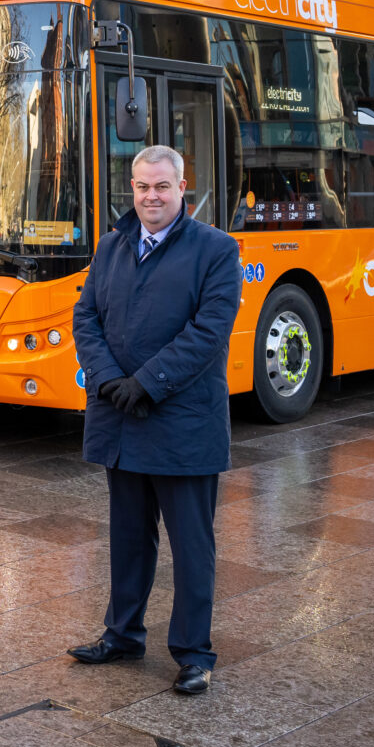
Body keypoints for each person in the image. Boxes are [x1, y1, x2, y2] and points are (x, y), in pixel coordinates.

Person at [68, 143, 241, 697]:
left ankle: (194, 653)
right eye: (142, 187)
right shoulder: (111, 245)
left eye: (162, 186)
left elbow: (208, 333)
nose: (151, 197)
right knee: (128, 538)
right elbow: (85, 317)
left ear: (182, 188)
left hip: (182, 424)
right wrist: (107, 379)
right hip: (121, 419)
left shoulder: (217, 250)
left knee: (191, 546)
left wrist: (146, 383)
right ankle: (122, 635)